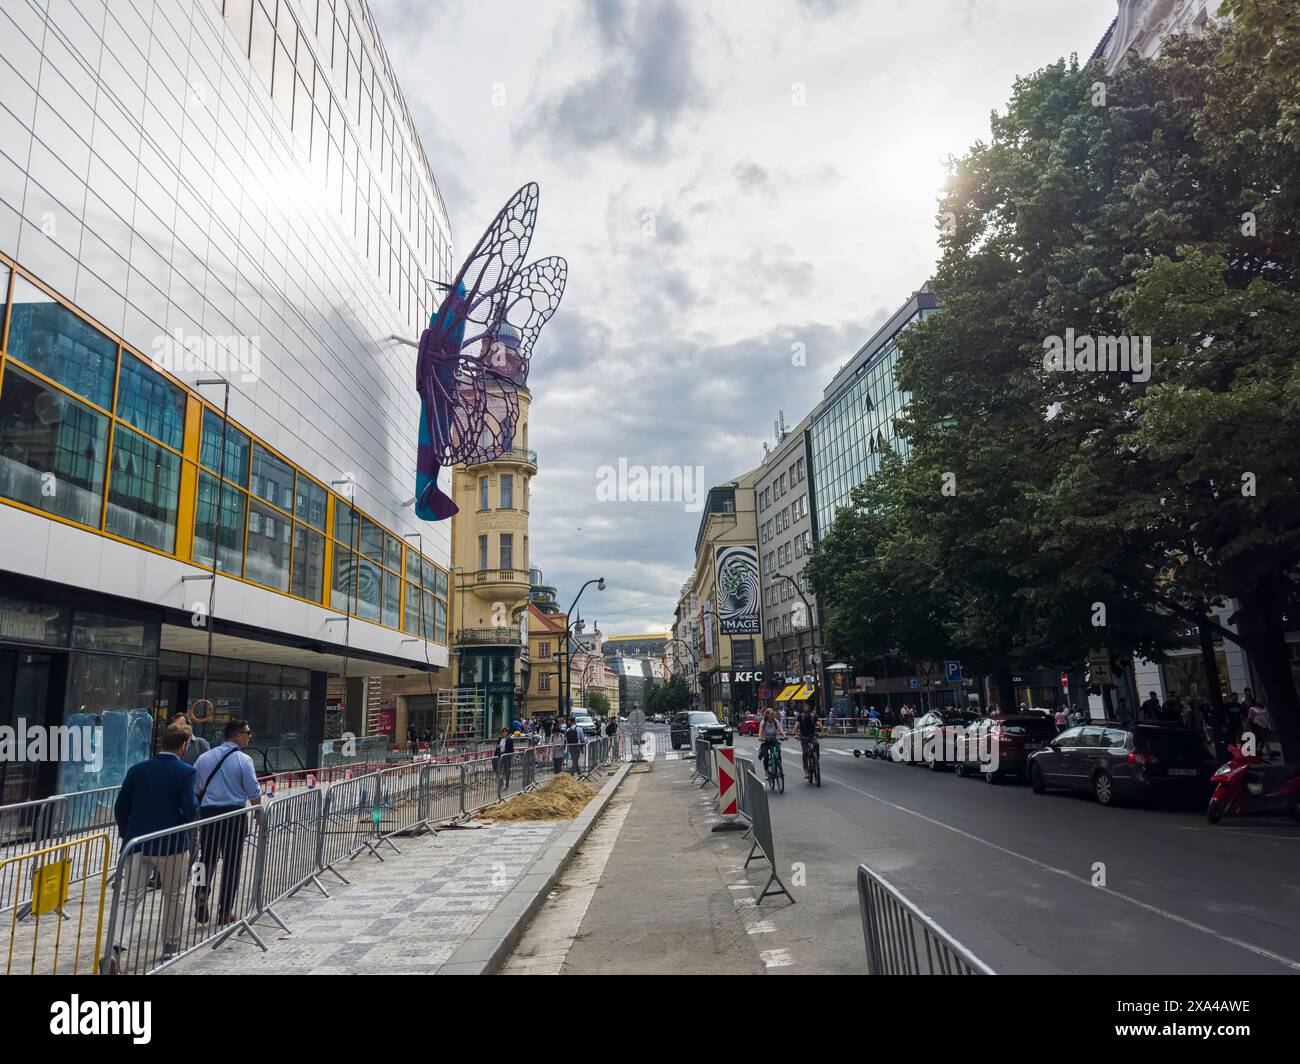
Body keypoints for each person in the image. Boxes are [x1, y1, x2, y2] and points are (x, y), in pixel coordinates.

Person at [110, 721, 199, 972]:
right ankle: (170, 944)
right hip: (171, 845)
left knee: (129, 898)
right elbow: (191, 809)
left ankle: (115, 946)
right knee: (174, 895)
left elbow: (121, 807)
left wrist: (127, 834)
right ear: (184, 746)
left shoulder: (137, 769)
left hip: (137, 843)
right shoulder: (185, 772)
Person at [191, 719, 263, 927]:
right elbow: (253, 790)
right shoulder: (244, 759)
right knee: (232, 862)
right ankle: (225, 909)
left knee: (206, 858)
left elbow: (196, 787)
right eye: (248, 733)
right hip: (234, 814)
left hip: (209, 814)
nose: (249, 737)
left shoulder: (204, 758)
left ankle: (200, 890)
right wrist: (258, 812)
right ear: (237, 735)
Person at [758, 708, 785, 777]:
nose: (773, 715)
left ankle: (780, 768)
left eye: (774, 714)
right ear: (767, 715)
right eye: (771, 714)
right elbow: (760, 730)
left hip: (773, 740)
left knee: (778, 752)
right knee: (766, 756)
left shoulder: (776, 722)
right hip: (765, 741)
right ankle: (766, 771)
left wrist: (784, 735)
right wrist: (760, 737)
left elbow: (780, 729)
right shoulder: (763, 722)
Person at [796, 705, 821, 780]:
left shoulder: (813, 716)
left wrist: (823, 730)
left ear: (810, 712)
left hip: (812, 735)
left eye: (808, 712)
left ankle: (816, 760)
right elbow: (797, 725)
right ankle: (806, 769)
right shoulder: (800, 717)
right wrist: (797, 734)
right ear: (803, 712)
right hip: (803, 736)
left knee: (816, 744)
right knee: (805, 752)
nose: (806, 713)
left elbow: (818, 723)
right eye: (805, 712)